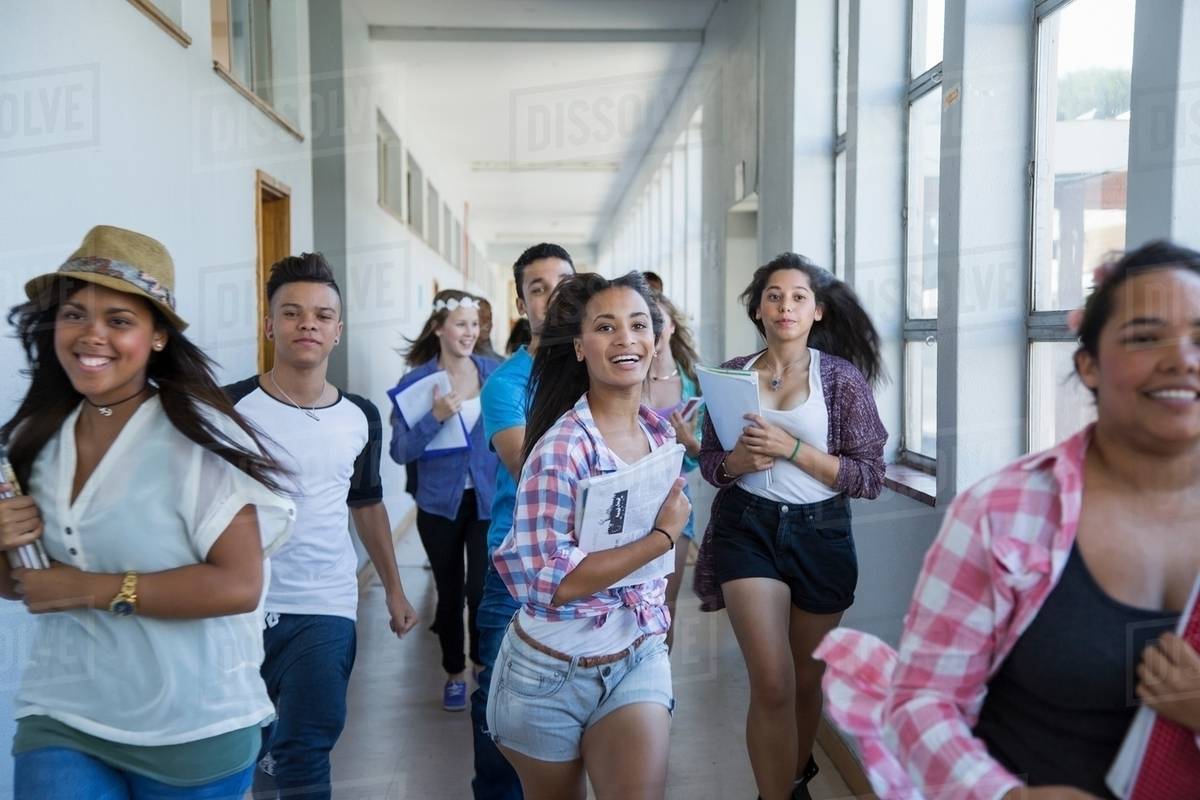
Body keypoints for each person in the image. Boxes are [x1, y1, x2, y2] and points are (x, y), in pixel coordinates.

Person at [817, 240, 1200, 800]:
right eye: (1145, 337)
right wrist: (1004, 797)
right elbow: (922, 703)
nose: (1182, 358)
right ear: (1088, 364)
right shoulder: (1007, 512)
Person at [0, 225, 295, 798]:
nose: (91, 335)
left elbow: (238, 585)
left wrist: (89, 589)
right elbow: (26, 587)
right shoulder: (37, 439)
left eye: (119, 320)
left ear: (158, 336)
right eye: (74, 315)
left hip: (193, 724)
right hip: (65, 711)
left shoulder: (200, 436)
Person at [489, 271, 692, 800]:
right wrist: (662, 539)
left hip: (636, 653)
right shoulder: (560, 450)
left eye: (638, 324)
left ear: (655, 338)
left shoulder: (659, 433)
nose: (626, 338)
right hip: (548, 674)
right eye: (606, 327)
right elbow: (554, 583)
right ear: (580, 347)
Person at [223, 252, 418, 799]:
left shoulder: (360, 416)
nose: (307, 323)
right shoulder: (229, 408)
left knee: (307, 748)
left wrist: (395, 591)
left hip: (327, 604)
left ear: (337, 331)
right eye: (291, 313)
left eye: (322, 315)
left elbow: (368, 503)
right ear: (268, 325)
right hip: (242, 605)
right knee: (250, 746)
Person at [694, 252, 887, 800]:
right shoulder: (730, 374)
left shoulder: (841, 380)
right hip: (746, 530)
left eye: (798, 297)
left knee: (806, 681)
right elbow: (711, 461)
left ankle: (796, 777)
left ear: (818, 310)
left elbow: (870, 476)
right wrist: (736, 465)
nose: (785, 306)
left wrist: (793, 449)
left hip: (820, 534)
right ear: (758, 307)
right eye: (774, 296)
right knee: (773, 683)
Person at [472, 243, 576, 800]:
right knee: (500, 706)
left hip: (595, 566)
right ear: (521, 302)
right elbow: (529, 470)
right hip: (517, 570)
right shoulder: (508, 384)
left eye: (563, 283)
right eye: (538, 287)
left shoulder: (603, 366)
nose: (553, 296)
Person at [390, 289, 501, 711]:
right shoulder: (415, 384)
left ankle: (482, 663)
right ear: (439, 329)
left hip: (489, 502)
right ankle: (454, 672)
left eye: (474, 324)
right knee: (450, 592)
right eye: (460, 324)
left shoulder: (495, 374)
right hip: (439, 505)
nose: (470, 332)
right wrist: (434, 419)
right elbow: (401, 451)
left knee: (481, 587)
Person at [642, 290, 704, 650]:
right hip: (628, 507)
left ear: (672, 326)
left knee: (666, 606)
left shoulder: (693, 384)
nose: (654, 327)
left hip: (675, 505)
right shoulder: (626, 377)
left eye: (659, 319)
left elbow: (699, 459)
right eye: (645, 321)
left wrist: (687, 443)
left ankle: (659, 690)